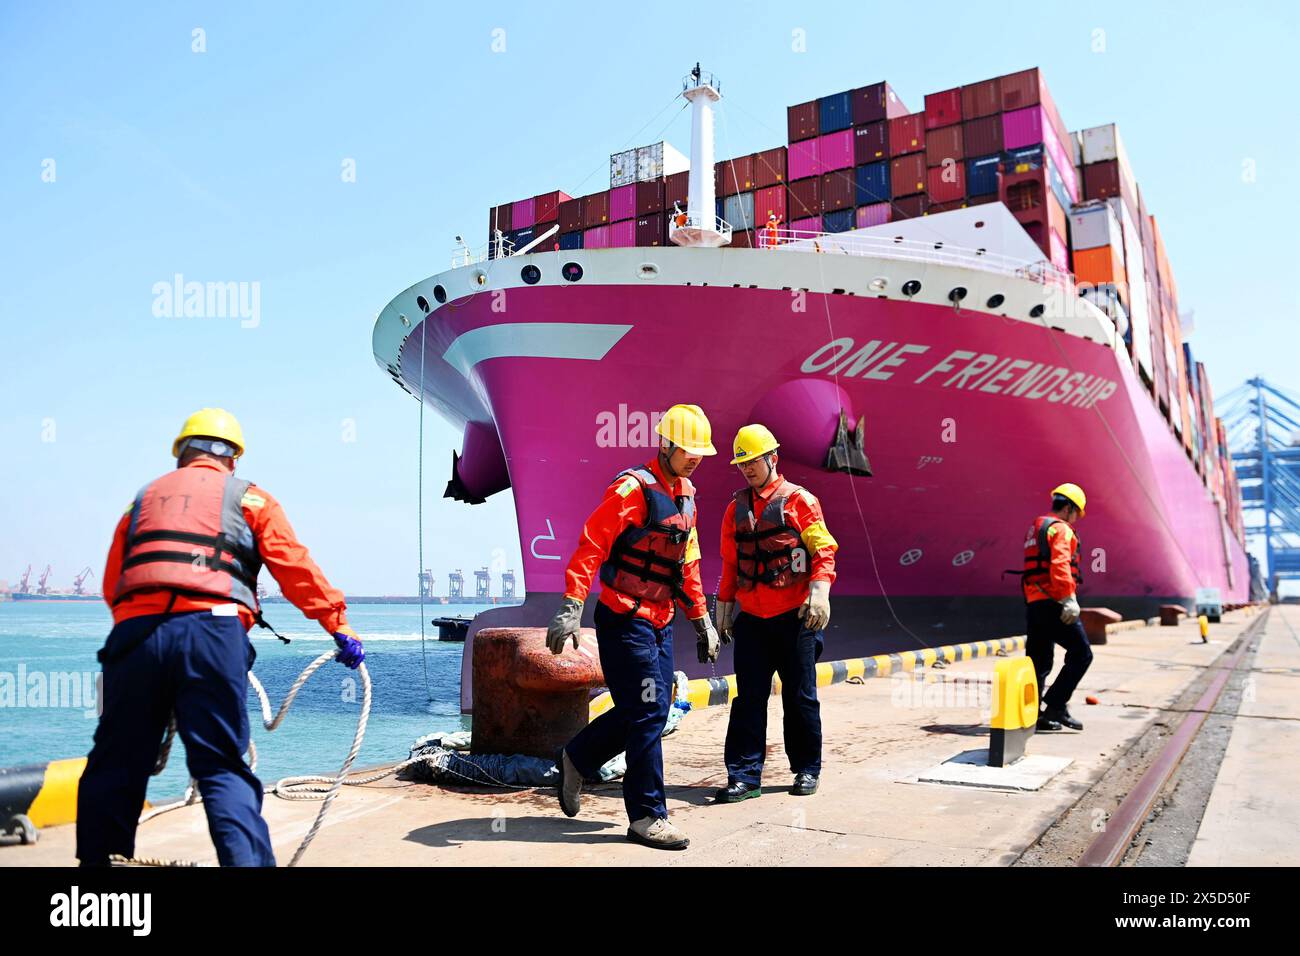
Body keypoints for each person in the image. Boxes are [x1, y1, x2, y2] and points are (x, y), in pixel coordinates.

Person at [76, 408, 365, 867]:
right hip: (212, 631)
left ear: (182, 455)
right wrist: (338, 624)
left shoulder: (141, 501)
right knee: (222, 767)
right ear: (232, 458)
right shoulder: (249, 499)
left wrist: (144, 644)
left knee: (115, 764)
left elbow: (114, 583)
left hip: (135, 638)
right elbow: (295, 568)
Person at [547, 404, 720, 850]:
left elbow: (689, 562)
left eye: (701, 451)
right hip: (625, 618)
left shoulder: (687, 494)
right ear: (666, 444)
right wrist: (571, 605)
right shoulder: (630, 490)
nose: (696, 457)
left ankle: (577, 757)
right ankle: (647, 816)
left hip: (662, 620)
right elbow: (591, 544)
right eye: (689, 450)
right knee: (646, 711)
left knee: (652, 711)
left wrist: (701, 618)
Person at [714, 424, 837, 802]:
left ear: (773, 458)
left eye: (753, 461)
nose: (748, 468)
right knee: (748, 699)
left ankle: (805, 769)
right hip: (752, 620)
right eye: (742, 463)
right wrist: (723, 608)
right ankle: (745, 776)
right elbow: (731, 564)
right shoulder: (735, 509)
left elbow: (823, 550)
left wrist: (820, 592)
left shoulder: (800, 502)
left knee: (800, 697)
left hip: (794, 619)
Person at [1021, 483, 1093, 731]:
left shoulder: (1036, 528)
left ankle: (1031, 715)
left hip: (1034, 603)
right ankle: (1056, 706)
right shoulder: (1061, 529)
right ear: (1070, 508)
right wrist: (1068, 598)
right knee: (1082, 654)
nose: (1076, 520)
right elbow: (1060, 564)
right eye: (1077, 514)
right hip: (1054, 602)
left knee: (1038, 662)